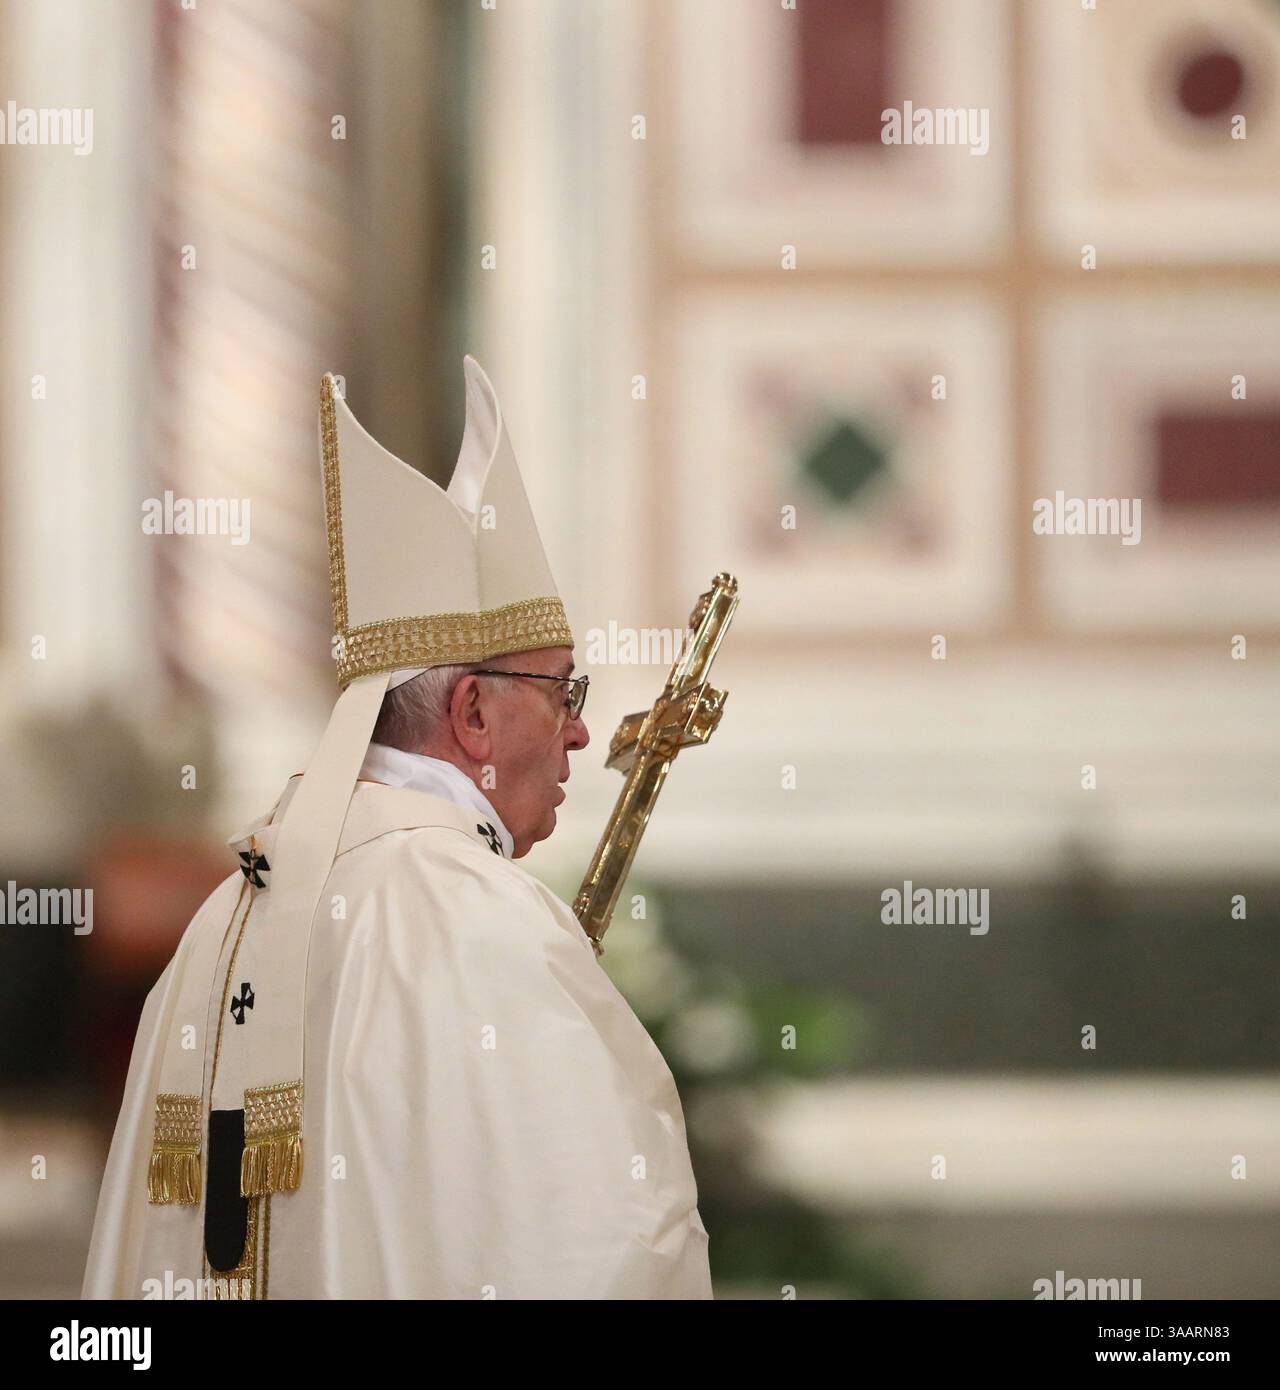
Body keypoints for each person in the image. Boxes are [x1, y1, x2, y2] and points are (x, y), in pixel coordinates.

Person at [81, 357, 712, 1299]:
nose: (580, 727)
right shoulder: (481, 919)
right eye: (562, 692)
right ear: (472, 715)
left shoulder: (223, 920)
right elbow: (610, 1245)